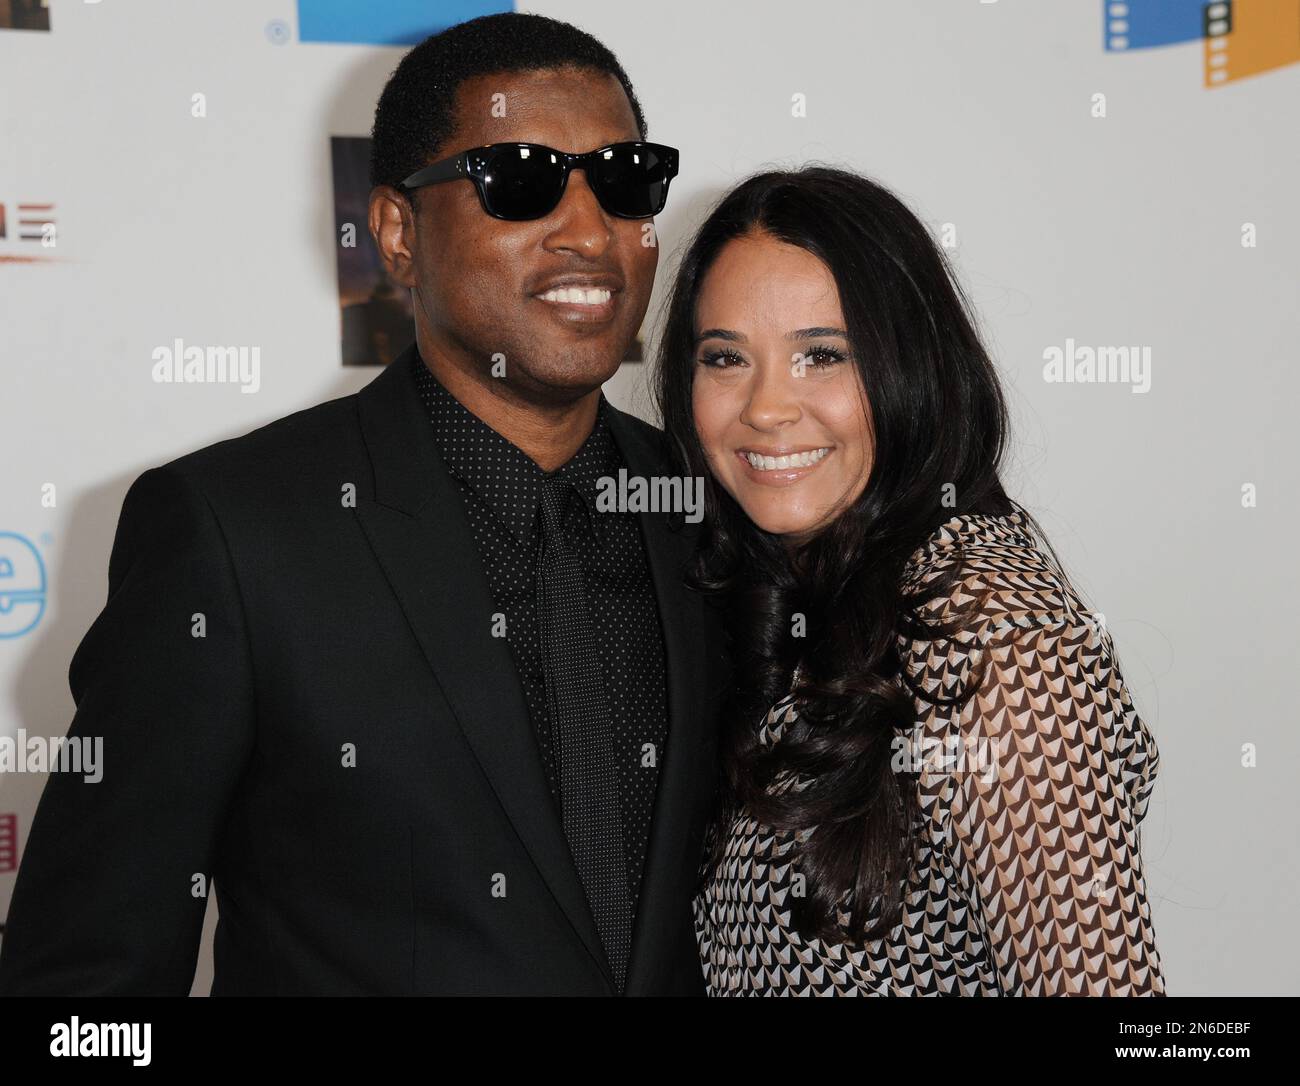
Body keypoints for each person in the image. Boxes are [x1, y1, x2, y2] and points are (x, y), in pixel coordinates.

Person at [0, 12, 728, 996]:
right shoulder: (234, 536)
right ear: (394, 231)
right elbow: (82, 989)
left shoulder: (711, 516)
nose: (590, 232)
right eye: (520, 180)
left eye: (622, 178)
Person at [654, 166, 1166, 995]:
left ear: (912, 369)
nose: (766, 407)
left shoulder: (999, 636)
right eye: (724, 358)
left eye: (822, 355)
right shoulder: (808, 602)